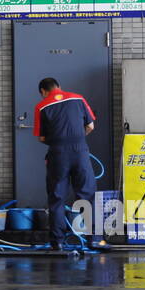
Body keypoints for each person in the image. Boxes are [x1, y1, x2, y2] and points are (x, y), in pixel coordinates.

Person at [32, 77, 99, 249]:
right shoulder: (78, 98)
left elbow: (41, 137)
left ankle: (58, 243)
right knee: (87, 196)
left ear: (43, 92)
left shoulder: (41, 106)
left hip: (58, 154)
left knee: (57, 198)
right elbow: (91, 125)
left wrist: (59, 142)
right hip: (80, 153)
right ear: (59, 87)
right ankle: (95, 240)